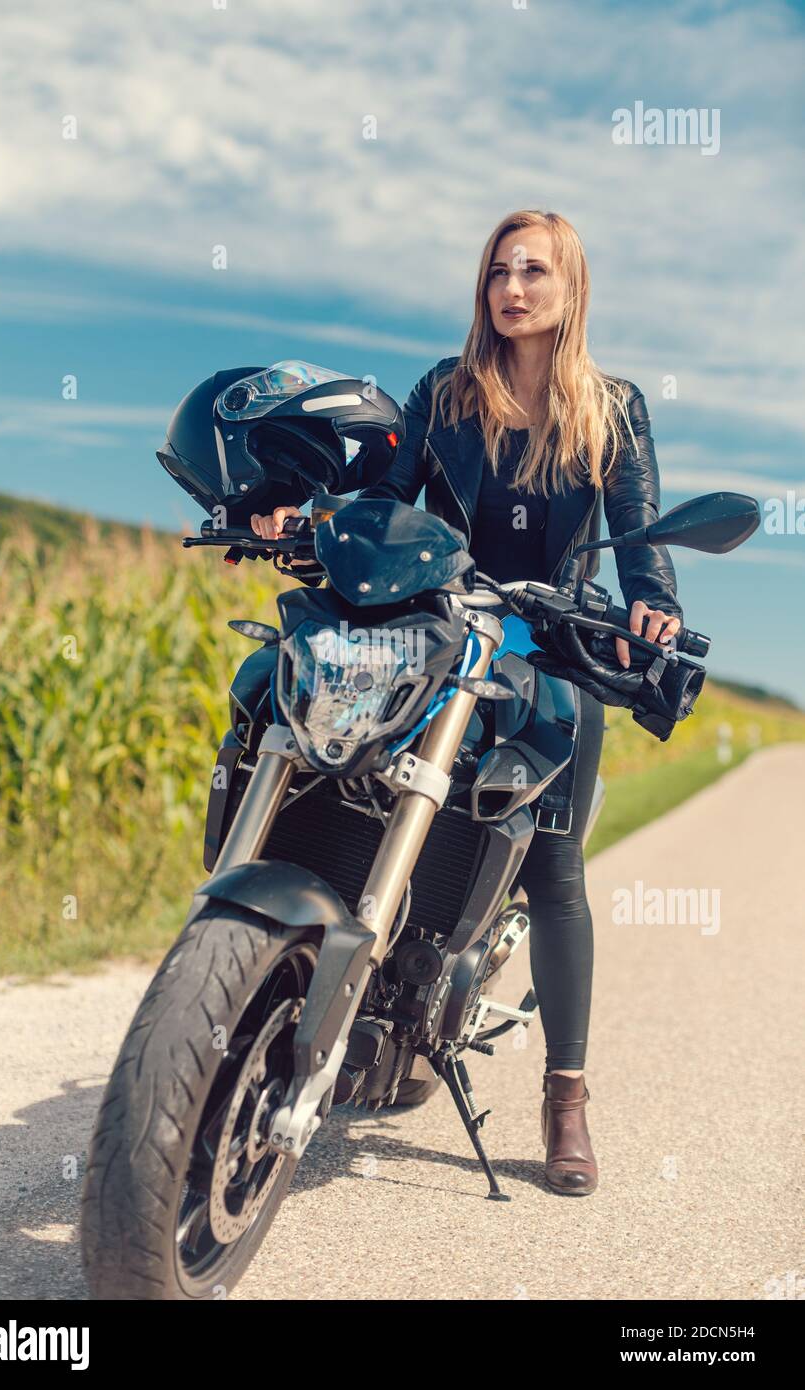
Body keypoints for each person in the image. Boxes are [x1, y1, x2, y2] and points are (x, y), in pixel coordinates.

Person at [250, 209, 684, 1196]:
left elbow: (640, 530)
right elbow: (389, 497)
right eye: (498, 270)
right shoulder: (445, 392)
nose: (512, 287)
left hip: (555, 641)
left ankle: (565, 1096)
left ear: (569, 290)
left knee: (557, 868)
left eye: (534, 271)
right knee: (346, 775)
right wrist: (311, 519)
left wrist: (652, 604)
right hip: (444, 628)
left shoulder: (611, 408)